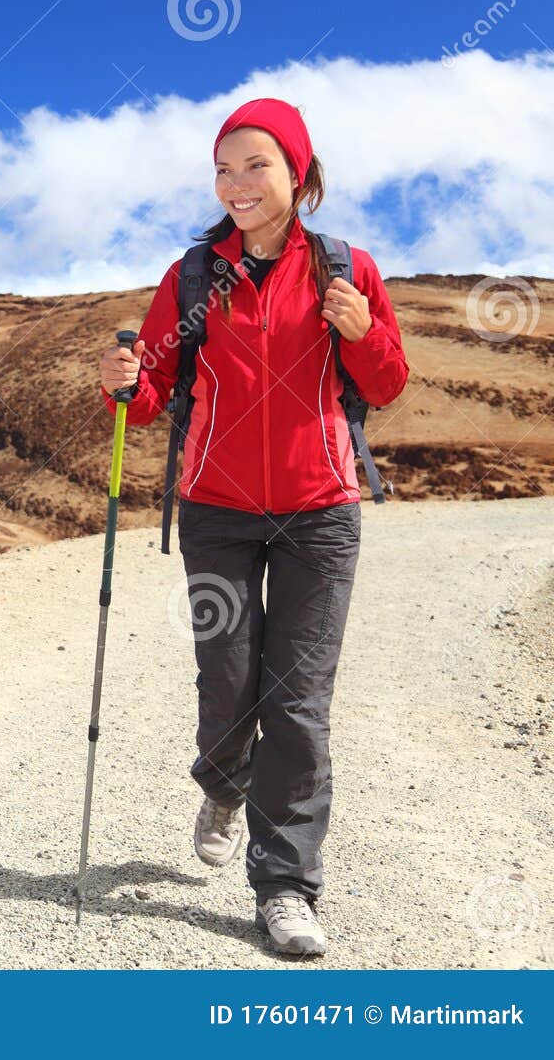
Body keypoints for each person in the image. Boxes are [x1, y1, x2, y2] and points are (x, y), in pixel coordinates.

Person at [96, 97, 409, 956]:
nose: (236, 183)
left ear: (298, 175)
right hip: (218, 511)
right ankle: (223, 781)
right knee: (228, 685)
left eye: (255, 165)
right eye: (224, 168)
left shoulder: (347, 269)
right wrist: (124, 379)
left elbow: (383, 385)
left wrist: (364, 331)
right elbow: (152, 390)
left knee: (299, 705)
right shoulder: (194, 277)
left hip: (320, 511)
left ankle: (285, 887)